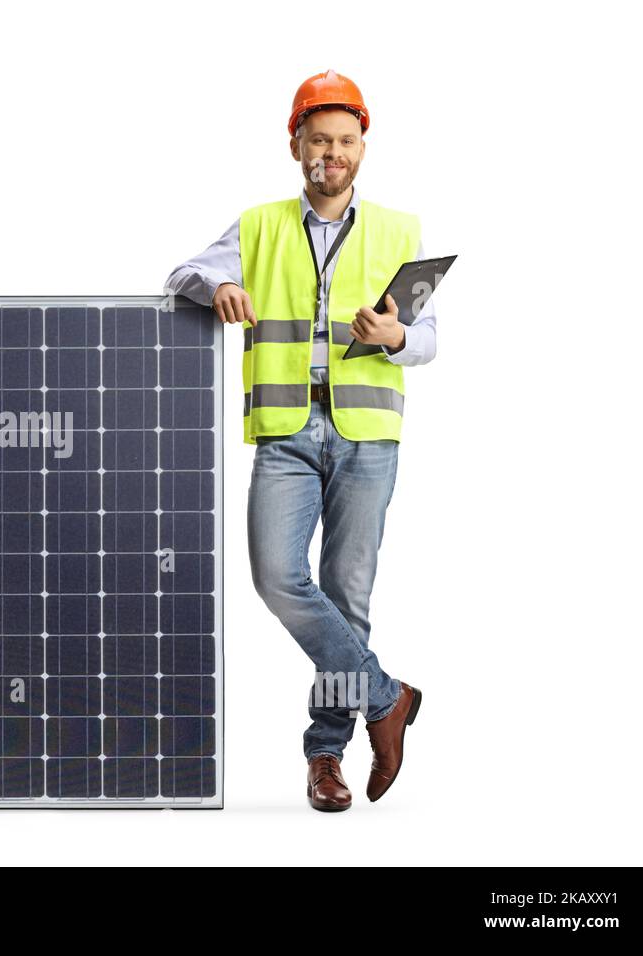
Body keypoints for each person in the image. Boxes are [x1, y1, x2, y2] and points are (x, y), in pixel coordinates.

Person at [165, 69, 430, 812]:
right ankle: (387, 696)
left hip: (367, 436)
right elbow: (182, 272)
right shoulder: (258, 226)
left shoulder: (398, 231)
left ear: (361, 150)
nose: (332, 153)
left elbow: (429, 337)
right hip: (285, 432)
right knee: (278, 577)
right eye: (319, 140)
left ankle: (325, 756)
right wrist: (212, 288)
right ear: (296, 146)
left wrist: (397, 334)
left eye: (345, 141)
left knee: (347, 597)